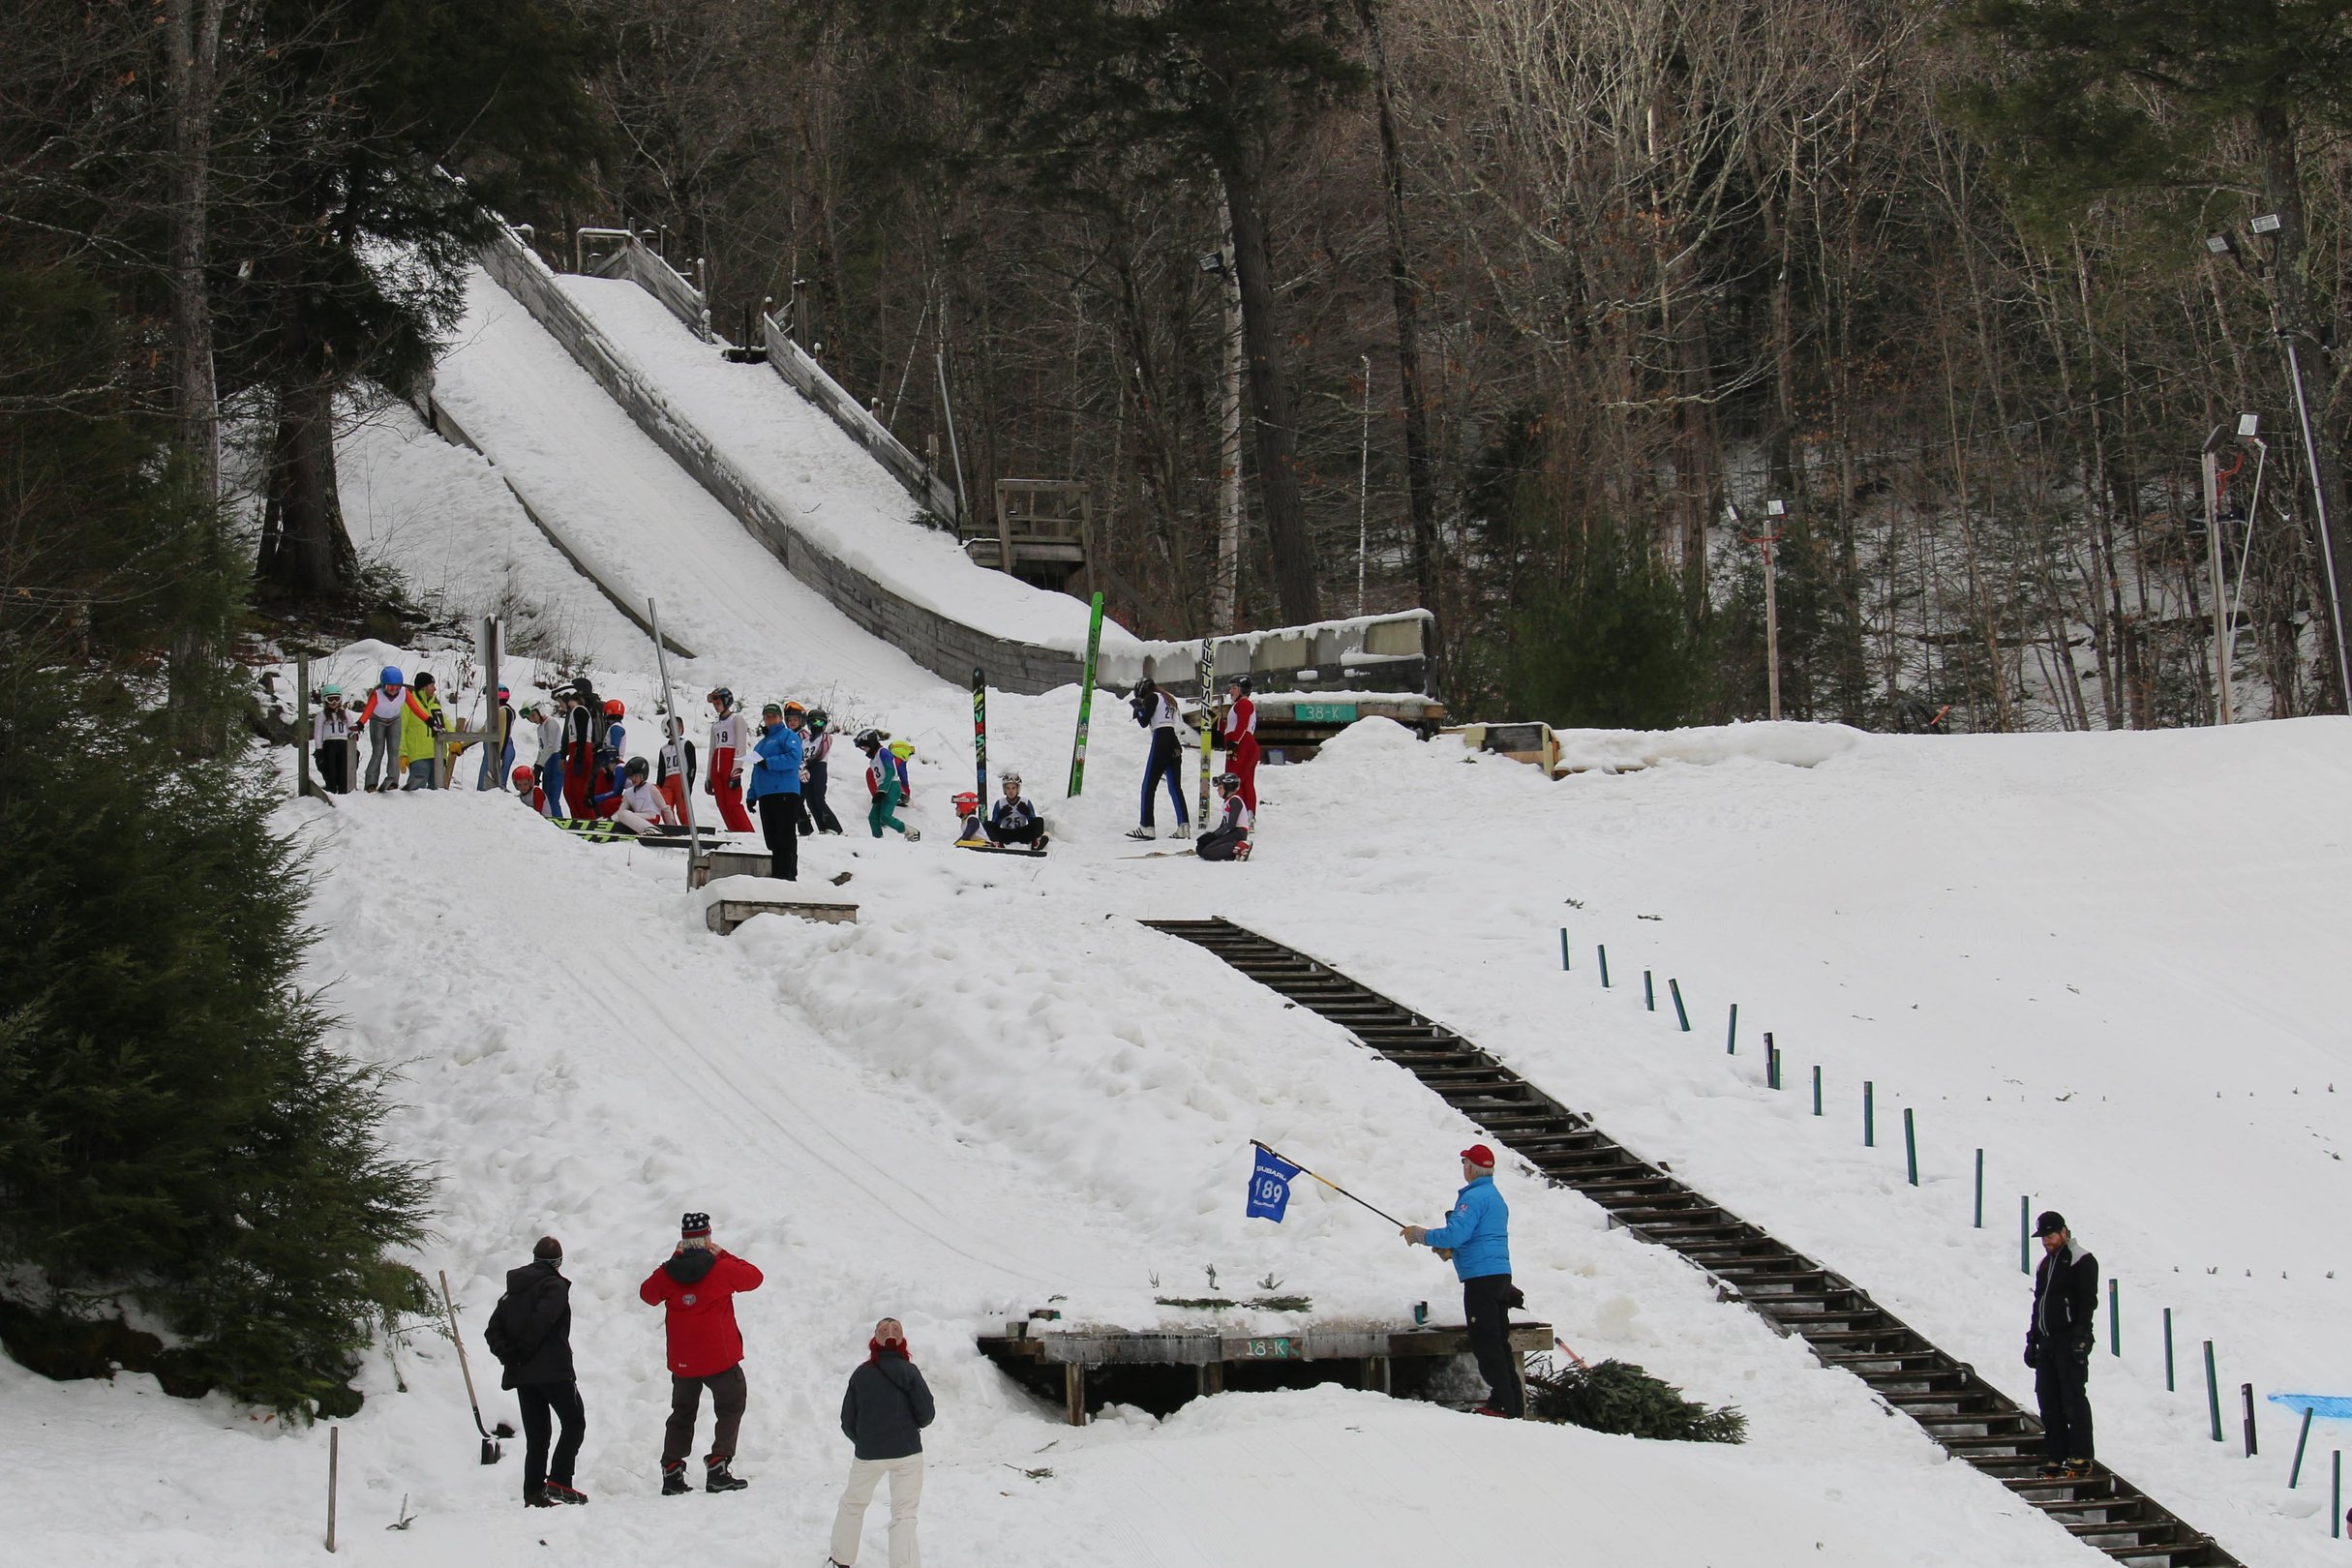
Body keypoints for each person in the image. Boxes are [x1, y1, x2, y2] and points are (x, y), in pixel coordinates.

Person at [639, 1213, 763, 1495]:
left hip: (683, 1361)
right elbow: (755, 1277)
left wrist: (672, 1259)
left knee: (682, 1412)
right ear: (708, 1239)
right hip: (720, 1357)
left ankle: (672, 1471)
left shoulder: (668, 1273)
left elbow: (647, 1294)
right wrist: (724, 1255)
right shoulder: (721, 1269)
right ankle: (718, 1466)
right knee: (731, 1406)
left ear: (682, 1241)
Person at [1402, 1144, 1523, 1418]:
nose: (1463, 1168)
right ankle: (1513, 1403)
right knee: (1499, 1341)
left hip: (1481, 1278)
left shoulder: (1473, 1198)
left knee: (1486, 1341)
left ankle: (1501, 1405)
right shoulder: (1493, 1195)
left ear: (1470, 1167)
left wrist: (1421, 1235)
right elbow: (1475, 1237)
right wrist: (1453, 1249)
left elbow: (1456, 1234)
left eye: (1464, 1162)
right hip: (1499, 1274)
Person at [487, 1236, 588, 1508]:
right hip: (553, 1371)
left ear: (534, 1258)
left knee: (538, 1434)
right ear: (558, 1263)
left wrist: (508, 1354)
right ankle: (559, 1480)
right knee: (574, 1421)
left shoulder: (513, 1291)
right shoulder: (554, 1285)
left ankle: (533, 1493)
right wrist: (522, 1350)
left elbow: (492, 1330)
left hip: (523, 1375)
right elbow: (542, 1321)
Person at [827, 1317, 935, 1568]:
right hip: (907, 1453)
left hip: (868, 1454)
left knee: (852, 1505)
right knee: (904, 1515)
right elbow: (926, 1414)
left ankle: (841, 1561)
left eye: (890, 1328)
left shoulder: (861, 1374)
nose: (889, 1331)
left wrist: (864, 1440)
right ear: (900, 1342)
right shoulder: (910, 1371)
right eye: (890, 1329)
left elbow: (847, 1420)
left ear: (874, 1340)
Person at [2026, 1211, 2098, 1479]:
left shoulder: (2081, 1259)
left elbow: (2087, 1300)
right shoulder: (2045, 1264)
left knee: (2072, 1397)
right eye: (2043, 1237)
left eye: (2051, 1235)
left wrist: (2081, 1336)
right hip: (2046, 1341)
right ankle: (2056, 1455)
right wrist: (2032, 1338)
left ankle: (2080, 1455)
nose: (2047, 1241)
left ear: (2064, 1232)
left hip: (2069, 1340)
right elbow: (2039, 1303)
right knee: (2048, 1398)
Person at [746, 702, 805, 881]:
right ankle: (778, 874)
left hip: (785, 792)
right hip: (766, 794)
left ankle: (787, 875)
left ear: (780, 718)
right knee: (771, 839)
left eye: (774, 716)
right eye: (767, 716)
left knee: (785, 837)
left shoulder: (788, 735)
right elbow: (756, 770)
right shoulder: (761, 744)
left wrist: (769, 762)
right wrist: (752, 794)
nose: (770, 719)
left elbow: (794, 758)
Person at [1126, 678, 1190, 840]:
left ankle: (1147, 826)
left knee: (1148, 785)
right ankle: (1184, 827)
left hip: (1161, 739)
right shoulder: (1167, 698)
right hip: (1173, 741)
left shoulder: (1152, 697)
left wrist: (1138, 708)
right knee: (1175, 787)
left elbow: (1143, 720)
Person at [706, 687, 755, 833]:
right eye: (714, 702)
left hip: (729, 763)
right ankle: (734, 832)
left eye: (718, 701)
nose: (715, 705)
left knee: (732, 803)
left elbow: (740, 745)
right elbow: (711, 751)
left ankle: (747, 833)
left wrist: (736, 771)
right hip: (717, 765)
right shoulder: (715, 725)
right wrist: (709, 776)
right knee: (721, 803)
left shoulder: (736, 719)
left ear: (726, 701)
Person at [857, 729, 920, 842]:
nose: (863, 750)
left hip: (891, 786)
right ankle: (878, 840)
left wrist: (883, 790)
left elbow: (890, 770)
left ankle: (911, 832)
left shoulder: (883, 752)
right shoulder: (873, 760)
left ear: (870, 743)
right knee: (873, 818)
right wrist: (879, 791)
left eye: (864, 747)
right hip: (882, 788)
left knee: (885, 816)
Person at [356, 666, 408, 792]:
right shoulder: (377, 694)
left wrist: (428, 720)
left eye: (397, 687)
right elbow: (368, 710)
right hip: (377, 720)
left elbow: (416, 708)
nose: (394, 691)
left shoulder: (404, 692)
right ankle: (371, 781)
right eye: (390, 687)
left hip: (395, 720)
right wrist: (360, 723)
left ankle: (393, 780)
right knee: (378, 751)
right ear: (384, 686)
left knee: (394, 751)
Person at [970, 770, 1045, 850]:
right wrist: (1000, 817)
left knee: (1039, 820)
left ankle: (1036, 842)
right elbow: (994, 824)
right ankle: (997, 843)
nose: (1011, 791)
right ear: (1005, 789)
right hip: (1006, 833)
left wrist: (1027, 813)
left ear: (1017, 789)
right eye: (1008, 788)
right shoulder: (1000, 803)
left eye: (1013, 788)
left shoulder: (1025, 802)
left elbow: (1033, 822)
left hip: (1022, 833)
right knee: (987, 825)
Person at [399, 672, 447, 790]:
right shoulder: (408, 704)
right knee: (415, 792)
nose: (435, 689)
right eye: (431, 685)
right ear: (423, 687)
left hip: (438, 755)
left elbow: (447, 725)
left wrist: (454, 743)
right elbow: (401, 729)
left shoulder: (436, 706)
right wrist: (402, 753)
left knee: (437, 793)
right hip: (419, 756)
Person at [1221, 674, 1259, 815]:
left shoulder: (1243, 703)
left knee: (1233, 781)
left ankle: (1236, 815)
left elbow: (1241, 725)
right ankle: (1249, 815)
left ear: (1242, 689)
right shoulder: (1239, 705)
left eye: (1234, 687)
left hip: (1242, 746)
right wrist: (1214, 720)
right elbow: (1229, 729)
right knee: (1245, 781)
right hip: (1245, 745)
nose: (1230, 691)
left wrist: (1234, 743)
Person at [1195, 771, 1252, 862]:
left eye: (1220, 787)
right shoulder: (1228, 801)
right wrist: (1210, 837)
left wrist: (1214, 836)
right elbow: (1223, 825)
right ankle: (1235, 850)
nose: (1218, 790)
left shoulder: (1235, 801)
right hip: (1232, 832)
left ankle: (1240, 845)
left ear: (1228, 788)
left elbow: (1231, 824)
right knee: (1201, 849)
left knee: (1208, 852)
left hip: (1238, 833)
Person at [804, 709, 845, 833]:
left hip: (819, 767)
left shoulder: (825, 736)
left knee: (819, 798)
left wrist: (810, 761)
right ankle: (821, 828)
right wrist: (802, 767)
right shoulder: (805, 741)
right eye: (813, 722)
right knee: (810, 801)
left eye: (820, 723)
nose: (816, 725)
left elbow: (823, 750)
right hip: (806, 769)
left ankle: (835, 828)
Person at [562, 680, 599, 817]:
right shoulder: (574, 712)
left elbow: (583, 736)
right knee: (568, 791)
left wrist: (578, 759)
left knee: (578, 791)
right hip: (576, 751)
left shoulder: (579, 710)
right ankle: (577, 818)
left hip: (581, 751)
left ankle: (589, 819)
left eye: (561, 702)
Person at [613, 758, 678, 835]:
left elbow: (666, 809)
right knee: (622, 814)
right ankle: (645, 829)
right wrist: (609, 820)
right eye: (631, 776)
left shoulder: (651, 788)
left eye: (636, 776)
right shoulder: (628, 792)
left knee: (623, 814)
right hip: (638, 819)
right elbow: (621, 811)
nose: (633, 779)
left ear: (643, 775)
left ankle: (651, 830)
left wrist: (673, 829)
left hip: (651, 817)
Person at [655, 715, 697, 825]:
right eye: (674, 725)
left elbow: (692, 766)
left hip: (682, 780)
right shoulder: (663, 749)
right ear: (666, 729)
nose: (678, 728)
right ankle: (672, 827)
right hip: (667, 782)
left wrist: (689, 784)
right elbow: (661, 771)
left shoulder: (686, 744)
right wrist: (658, 789)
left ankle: (688, 828)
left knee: (682, 810)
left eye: (679, 725)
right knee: (666, 807)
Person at [477, 684, 519, 791]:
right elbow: (483, 731)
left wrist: (499, 756)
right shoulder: (497, 711)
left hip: (500, 749)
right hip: (495, 749)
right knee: (487, 786)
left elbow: (503, 735)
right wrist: (463, 746)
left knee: (493, 788)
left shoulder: (504, 711)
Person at [312, 684, 352, 793]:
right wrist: (319, 749)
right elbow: (318, 733)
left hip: (344, 744)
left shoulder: (345, 714)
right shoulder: (322, 715)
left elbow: (351, 729)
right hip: (329, 745)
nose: (334, 702)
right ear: (325, 700)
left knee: (344, 768)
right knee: (330, 768)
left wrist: (353, 746)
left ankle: (344, 790)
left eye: (336, 699)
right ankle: (331, 788)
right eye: (330, 699)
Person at [529, 700, 565, 817]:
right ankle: (550, 820)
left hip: (556, 758)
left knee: (553, 797)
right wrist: (537, 765)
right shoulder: (540, 728)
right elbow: (542, 748)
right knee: (547, 797)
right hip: (547, 762)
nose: (532, 719)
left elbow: (550, 746)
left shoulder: (551, 722)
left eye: (533, 715)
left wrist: (540, 765)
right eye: (530, 717)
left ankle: (559, 821)